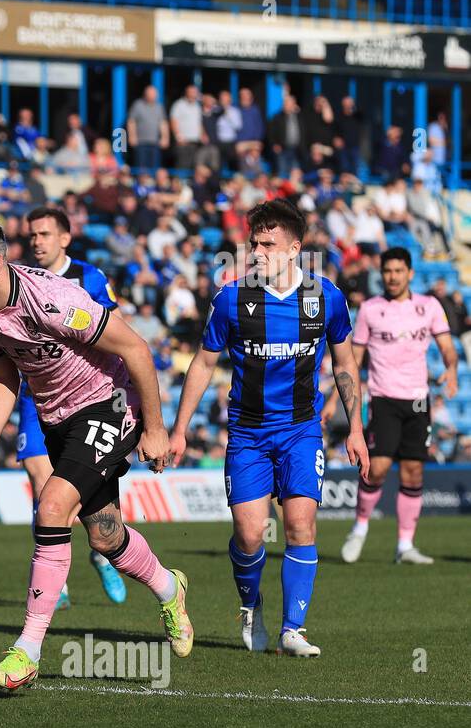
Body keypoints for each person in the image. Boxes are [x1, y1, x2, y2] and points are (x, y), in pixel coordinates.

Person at [0, 218, 191, 692]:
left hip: (110, 403)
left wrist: (155, 429)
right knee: (104, 536)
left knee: (52, 506)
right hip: (57, 419)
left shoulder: (54, 299)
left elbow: (137, 349)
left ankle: (27, 651)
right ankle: (168, 587)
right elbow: (2, 373)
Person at [168, 199, 368, 658]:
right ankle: (249, 606)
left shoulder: (326, 297)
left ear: (295, 248)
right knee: (250, 534)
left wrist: (355, 427)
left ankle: (292, 629)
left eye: (268, 244)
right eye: (253, 243)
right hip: (247, 434)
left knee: (300, 523)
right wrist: (179, 430)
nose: (257, 251)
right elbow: (202, 363)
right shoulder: (232, 298)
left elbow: (345, 363)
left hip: (301, 429)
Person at [7, 205, 129, 606]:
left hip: (88, 397)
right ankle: (55, 582)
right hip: (35, 398)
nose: (36, 242)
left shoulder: (89, 278)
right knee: (43, 488)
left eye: (44, 234)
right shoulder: (18, 280)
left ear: (64, 238)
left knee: (87, 490)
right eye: (32, 235)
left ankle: (103, 553)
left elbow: (117, 333)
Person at [341, 248, 459, 566]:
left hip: (418, 401)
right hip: (383, 399)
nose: (392, 277)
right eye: (387, 271)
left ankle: (405, 545)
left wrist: (450, 368)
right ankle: (360, 527)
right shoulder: (369, 309)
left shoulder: (429, 306)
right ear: (382, 274)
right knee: (377, 467)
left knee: (413, 471)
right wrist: (336, 396)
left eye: (398, 271)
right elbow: (355, 359)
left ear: (410, 273)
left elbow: (447, 347)